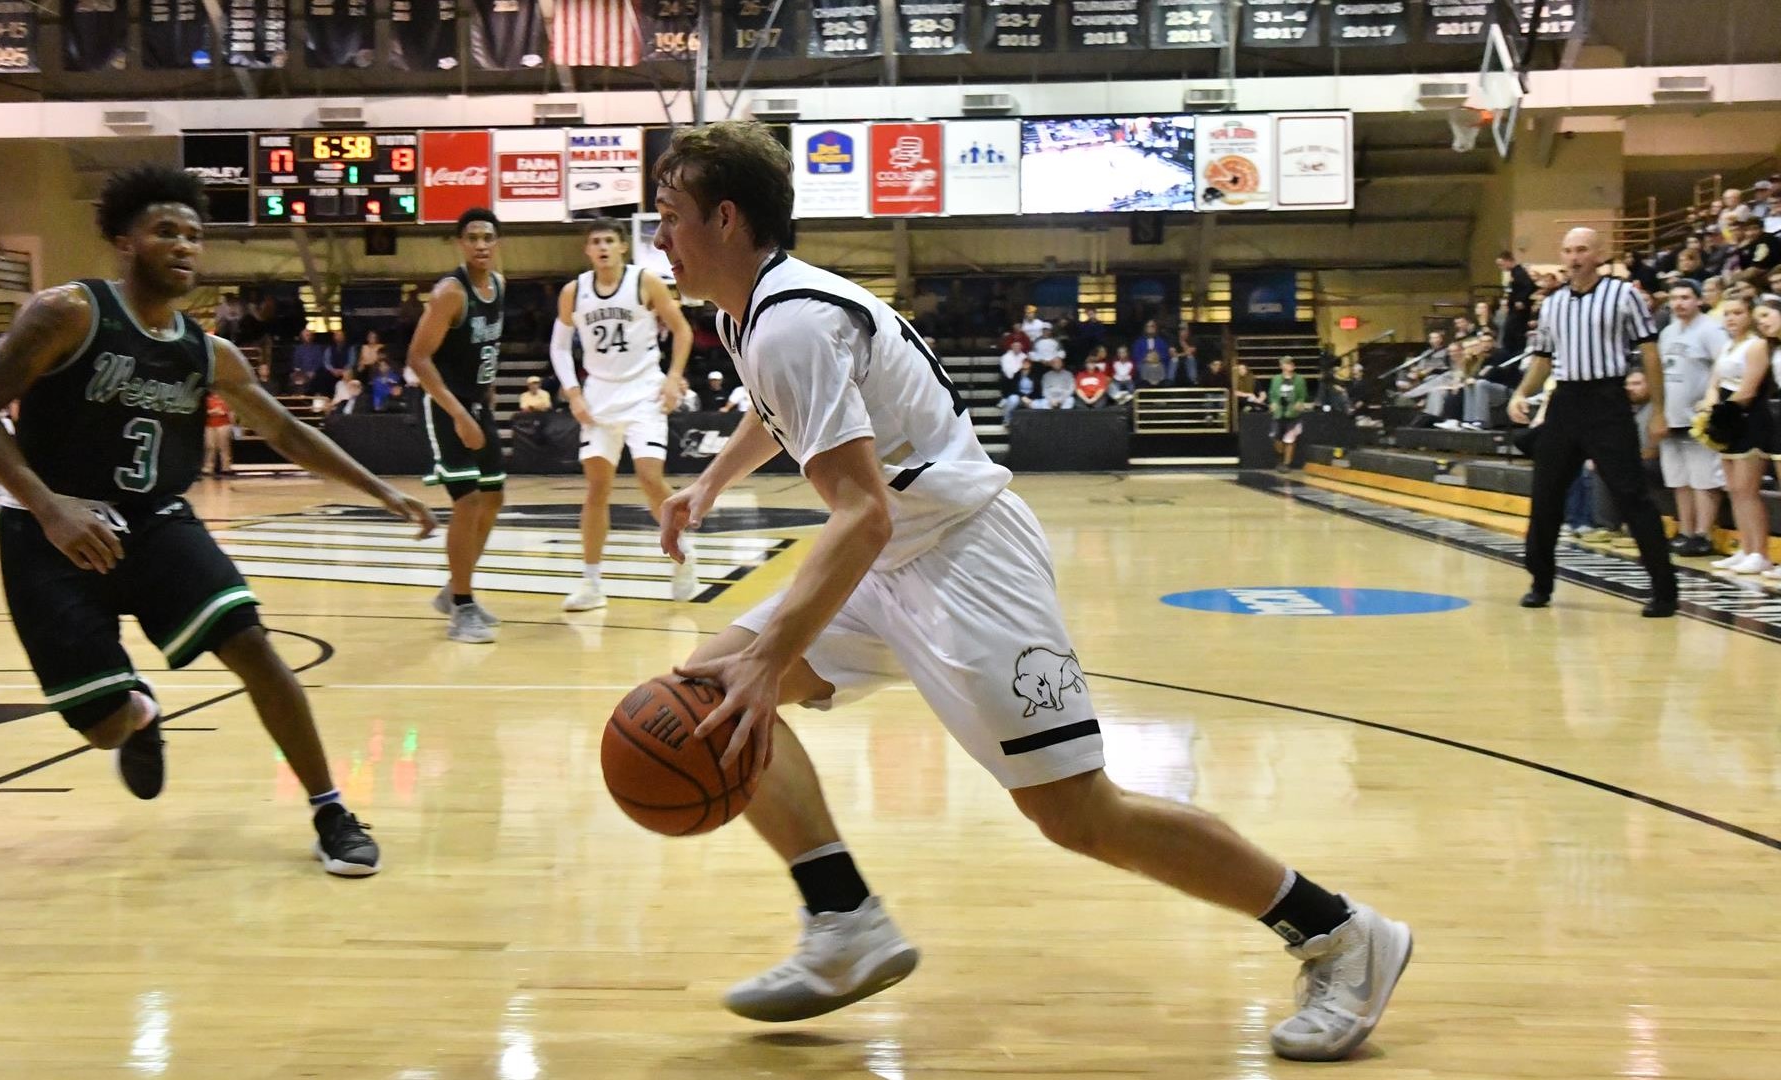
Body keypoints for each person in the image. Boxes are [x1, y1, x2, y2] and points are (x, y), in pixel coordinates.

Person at [648, 120, 1412, 1063]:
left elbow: (863, 513)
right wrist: (714, 481)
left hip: (966, 563)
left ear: (725, 218)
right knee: (705, 686)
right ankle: (844, 919)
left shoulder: (792, 321)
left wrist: (774, 657)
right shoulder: (752, 314)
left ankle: (1341, 933)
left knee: (1080, 817)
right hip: (894, 561)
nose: (659, 239)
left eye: (669, 218)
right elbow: (788, 419)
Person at [0, 165, 435, 874]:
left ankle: (331, 808)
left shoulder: (209, 353)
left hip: (153, 522)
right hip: (46, 530)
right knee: (103, 725)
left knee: (253, 645)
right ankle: (140, 716)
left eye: (194, 235)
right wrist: (50, 510)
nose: (183, 245)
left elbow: (289, 435)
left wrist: (382, 491)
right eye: (166, 231)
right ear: (125, 241)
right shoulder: (68, 314)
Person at [1509, 228, 1678, 617]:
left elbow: (1649, 352)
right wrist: (1521, 393)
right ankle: (1540, 582)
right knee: (1546, 495)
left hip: (1607, 401)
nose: (1574, 257)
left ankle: (1664, 590)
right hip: (1565, 401)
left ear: (1599, 254)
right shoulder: (1552, 304)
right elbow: (1543, 359)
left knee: (1631, 495)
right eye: (1567, 250)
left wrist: (1660, 410)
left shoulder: (1623, 294)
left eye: (1582, 249)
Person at [549, 220, 697, 612]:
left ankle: (684, 553)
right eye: (595, 241)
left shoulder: (645, 281)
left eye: (609, 241)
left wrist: (673, 378)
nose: (602, 247)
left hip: (644, 390)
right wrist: (574, 393)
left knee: (650, 478)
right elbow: (559, 348)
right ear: (587, 250)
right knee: (597, 488)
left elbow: (682, 332)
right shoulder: (574, 291)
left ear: (621, 248)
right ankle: (592, 582)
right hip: (598, 395)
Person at [406, 208, 510, 643]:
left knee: (494, 497)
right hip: (444, 405)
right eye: (473, 237)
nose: (481, 244)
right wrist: (460, 414)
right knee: (466, 501)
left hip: (476, 403)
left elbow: (484, 349)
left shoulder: (499, 285)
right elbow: (417, 359)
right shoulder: (452, 291)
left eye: (488, 236)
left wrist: (485, 401)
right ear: (459, 243)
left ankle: (456, 587)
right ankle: (463, 608)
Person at [1656, 280, 1730, 555]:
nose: (1679, 303)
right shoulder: (1667, 333)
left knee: (1704, 479)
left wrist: (1711, 401)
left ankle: (1703, 533)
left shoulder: (1711, 330)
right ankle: (1685, 530)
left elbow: (1722, 366)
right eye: (1674, 298)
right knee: (1679, 479)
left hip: (1698, 417)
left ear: (1699, 300)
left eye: (1685, 297)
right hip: (1671, 414)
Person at [1700, 297, 1773, 575]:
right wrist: (1708, 406)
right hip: (1726, 417)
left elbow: (1749, 387)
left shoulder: (1756, 345)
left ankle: (1760, 551)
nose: (1731, 318)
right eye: (1727, 313)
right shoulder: (1727, 346)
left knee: (1747, 490)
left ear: (1750, 315)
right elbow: (1714, 382)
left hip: (1748, 418)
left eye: (1738, 312)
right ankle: (1745, 547)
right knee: (1733, 489)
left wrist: (1723, 411)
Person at [1266, 356, 1309, 471]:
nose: (1289, 365)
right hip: (1279, 413)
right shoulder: (1275, 379)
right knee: (1277, 438)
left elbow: (1302, 395)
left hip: (1293, 414)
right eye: (1286, 363)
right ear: (1282, 366)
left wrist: (1300, 403)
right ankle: (1280, 458)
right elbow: (1272, 395)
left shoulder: (1299, 379)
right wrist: (1273, 403)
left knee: (1290, 439)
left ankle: (1286, 463)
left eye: (1291, 363)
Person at [202, 389, 234, 477]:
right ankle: (208, 467)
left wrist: (232, 424)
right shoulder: (207, 399)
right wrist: (212, 412)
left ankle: (226, 467)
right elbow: (204, 411)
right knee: (210, 446)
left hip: (223, 424)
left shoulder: (226, 399)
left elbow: (229, 411)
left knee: (224, 446)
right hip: (210, 425)